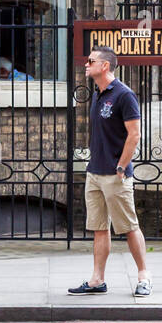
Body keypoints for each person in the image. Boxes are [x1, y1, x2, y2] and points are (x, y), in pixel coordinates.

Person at [68, 45, 152, 297]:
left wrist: (121, 165)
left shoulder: (124, 95)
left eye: (91, 60)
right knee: (99, 227)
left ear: (105, 66)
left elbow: (134, 134)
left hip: (116, 175)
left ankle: (144, 277)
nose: (86, 64)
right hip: (94, 173)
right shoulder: (98, 94)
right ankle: (97, 280)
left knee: (128, 226)